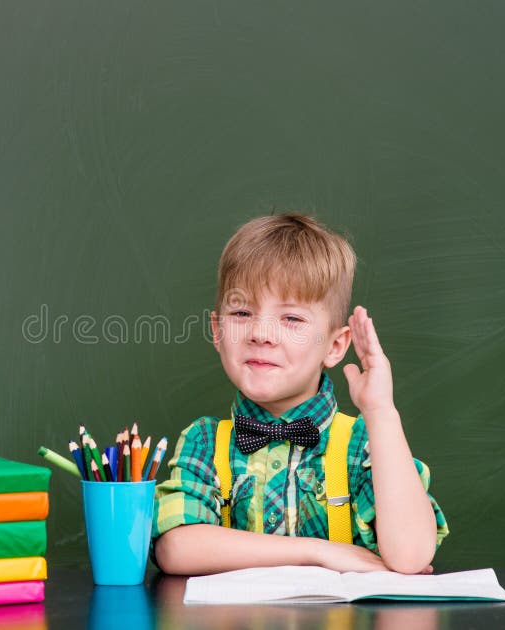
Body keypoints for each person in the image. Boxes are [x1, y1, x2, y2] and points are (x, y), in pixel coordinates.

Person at [152, 213, 448, 575]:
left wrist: (381, 411)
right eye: (242, 312)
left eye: (291, 319)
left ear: (335, 346)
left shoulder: (365, 445)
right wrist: (316, 552)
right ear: (217, 331)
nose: (261, 333)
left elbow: (412, 555)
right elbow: (177, 548)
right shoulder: (204, 442)